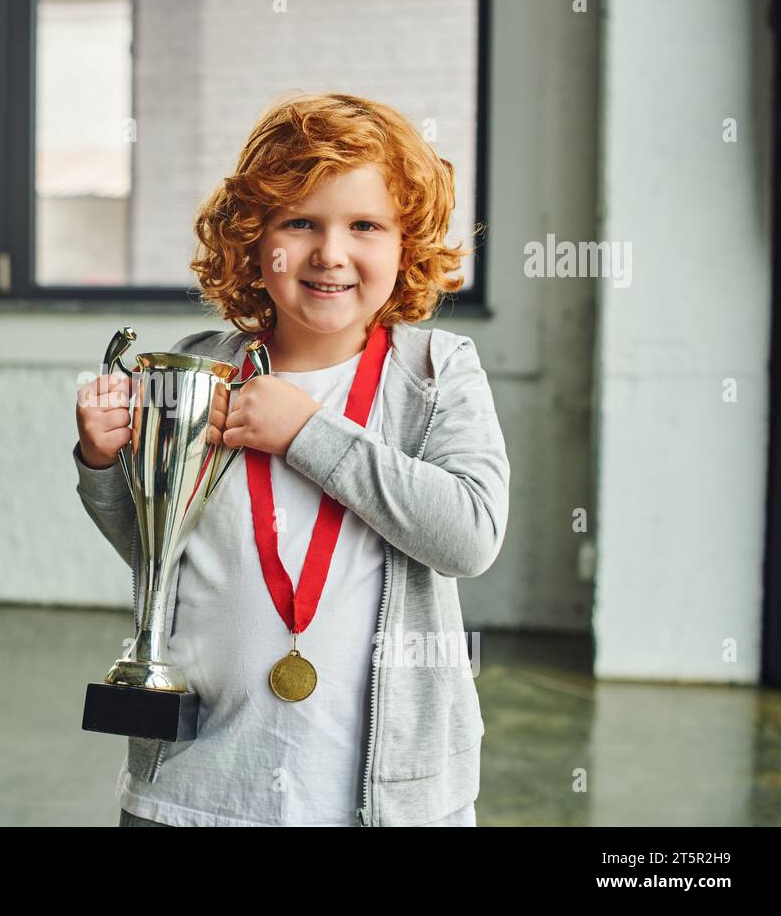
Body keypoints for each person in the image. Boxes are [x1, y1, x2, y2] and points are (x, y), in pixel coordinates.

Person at [73, 92, 510, 826]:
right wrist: (100, 458)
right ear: (254, 239)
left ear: (407, 243)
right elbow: (153, 548)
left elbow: (468, 535)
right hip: (194, 786)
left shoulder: (437, 373)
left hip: (382, 800)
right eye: (300, 222)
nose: (330, 252)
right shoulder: (194, 370)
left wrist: (307, 431)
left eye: (364, 225)